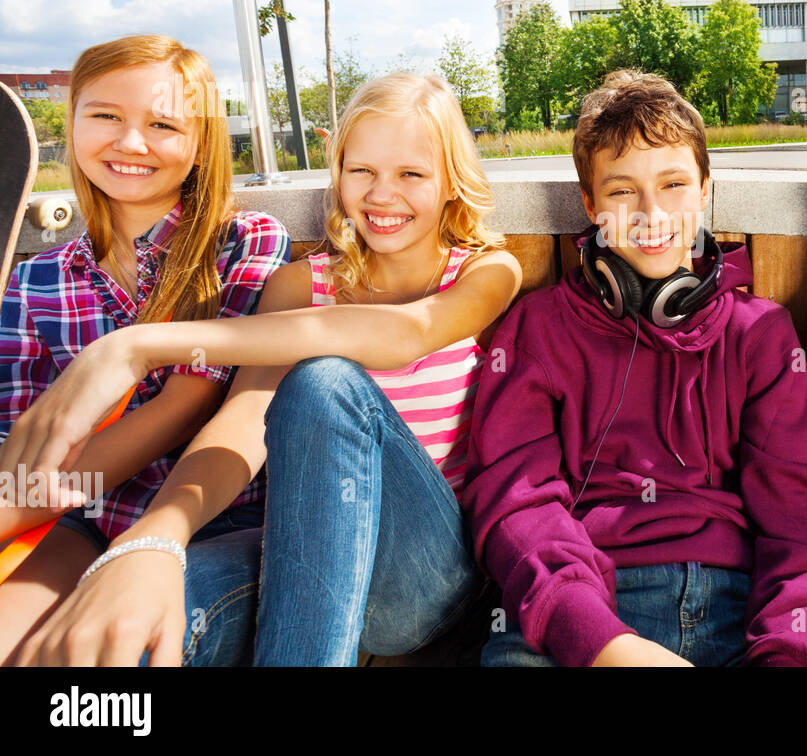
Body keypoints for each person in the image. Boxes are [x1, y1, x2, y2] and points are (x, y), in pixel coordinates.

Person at [10, 72, 522, 666]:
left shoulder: (487, 271)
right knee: (133, 616)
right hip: (304, 544)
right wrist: (157, 537)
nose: (383, 195)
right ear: (338, 174)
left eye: (411, 174)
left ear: (452, 182)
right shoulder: (299, 285)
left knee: (322, 380)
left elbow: (408, 334)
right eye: (362, 172)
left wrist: (138, 346)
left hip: (423, 575)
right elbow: (247, 420)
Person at [462, 70, 807, 667]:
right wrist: (601, 641)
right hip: (577, 607)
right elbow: (516, 504)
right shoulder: (537, 329)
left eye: (673, 183)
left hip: (733, 604)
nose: (650, 212)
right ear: (591, 205)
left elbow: (805, 525)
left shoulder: (761, 335)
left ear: (702, 191)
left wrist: (789, 652)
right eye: (621, 192)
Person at [0, 35, 289, 663]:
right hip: (86, 516)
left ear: (200, 143)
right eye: (105, 115)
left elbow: (191, 402)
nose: (131, 143)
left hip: (218, 520)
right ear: (72, 122)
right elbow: (26, 446)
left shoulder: (245, 242)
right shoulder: (36, 280)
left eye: (162, 124)